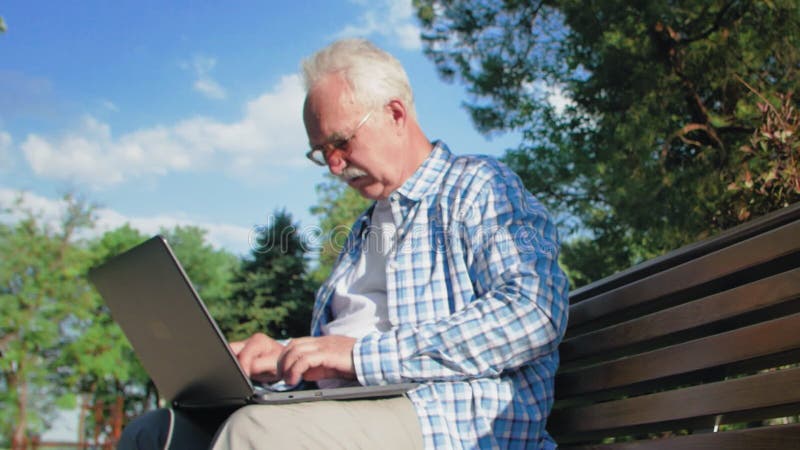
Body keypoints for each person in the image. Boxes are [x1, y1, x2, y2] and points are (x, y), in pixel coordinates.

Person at [118, 38, 569, 449]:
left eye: (341, 142)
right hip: (349, 408)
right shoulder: (363, 231)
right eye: (321, 152)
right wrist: (281, 358)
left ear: (395, 114)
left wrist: (358, 357)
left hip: (447, 416)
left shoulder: (477, 186)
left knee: (254, 435)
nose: (334, 166)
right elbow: (340, 348)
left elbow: (534, 312)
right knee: (153, 433)